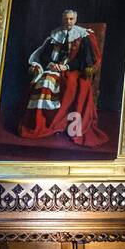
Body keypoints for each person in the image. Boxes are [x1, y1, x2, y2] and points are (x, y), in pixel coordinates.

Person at [17, 8, 109, 147]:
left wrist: (66, 67)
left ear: (75, 20)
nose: (68, 21)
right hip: (54, 69)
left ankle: (61, 124)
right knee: (45, 81)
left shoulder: (83, 36)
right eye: (66, 19)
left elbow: (86, 60)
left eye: (71, 19)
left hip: (73, 71)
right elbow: (44, 55)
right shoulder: (55, 35)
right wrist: (51, 64)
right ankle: (43, 123)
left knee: (71, 85)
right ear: (62, 19)